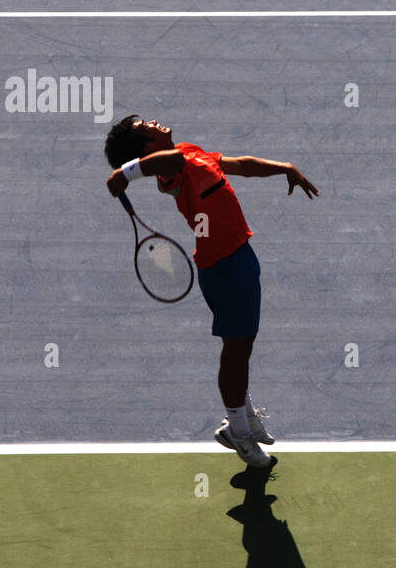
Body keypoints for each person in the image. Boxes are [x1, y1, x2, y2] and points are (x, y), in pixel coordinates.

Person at [104, 115, 319, 467]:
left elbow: (240, 166)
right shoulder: (170, 173)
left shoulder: (188, 152)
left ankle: (244, 417)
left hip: (239, 256)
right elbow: (167, 163)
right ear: (145, 148)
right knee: (236, 352)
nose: (155, 122)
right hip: (224, 268)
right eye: (146, 126)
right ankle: (237, 430)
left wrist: (284, 168)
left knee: (241, 347)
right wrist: (125, 173)